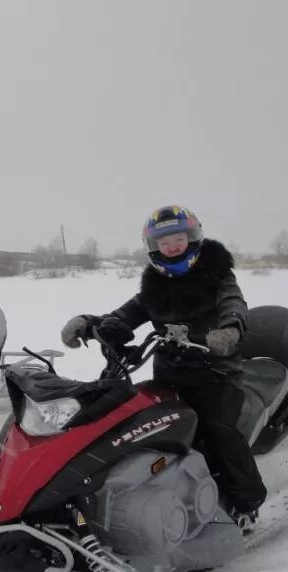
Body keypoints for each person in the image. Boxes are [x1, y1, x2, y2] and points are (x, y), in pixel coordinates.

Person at [60, 205, 267, 522]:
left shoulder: (217, 276)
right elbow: (126, 315)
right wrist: (90, 324)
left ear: (192, 238)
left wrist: (228, 332)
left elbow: (233, 306)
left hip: (216, 375)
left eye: (178, 238)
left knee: (218, 430)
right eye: (163, 242)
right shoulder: (156, 286)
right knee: (140, 427)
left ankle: (247, 497)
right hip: (170, 377)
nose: (172, 247)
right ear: (153, 247)